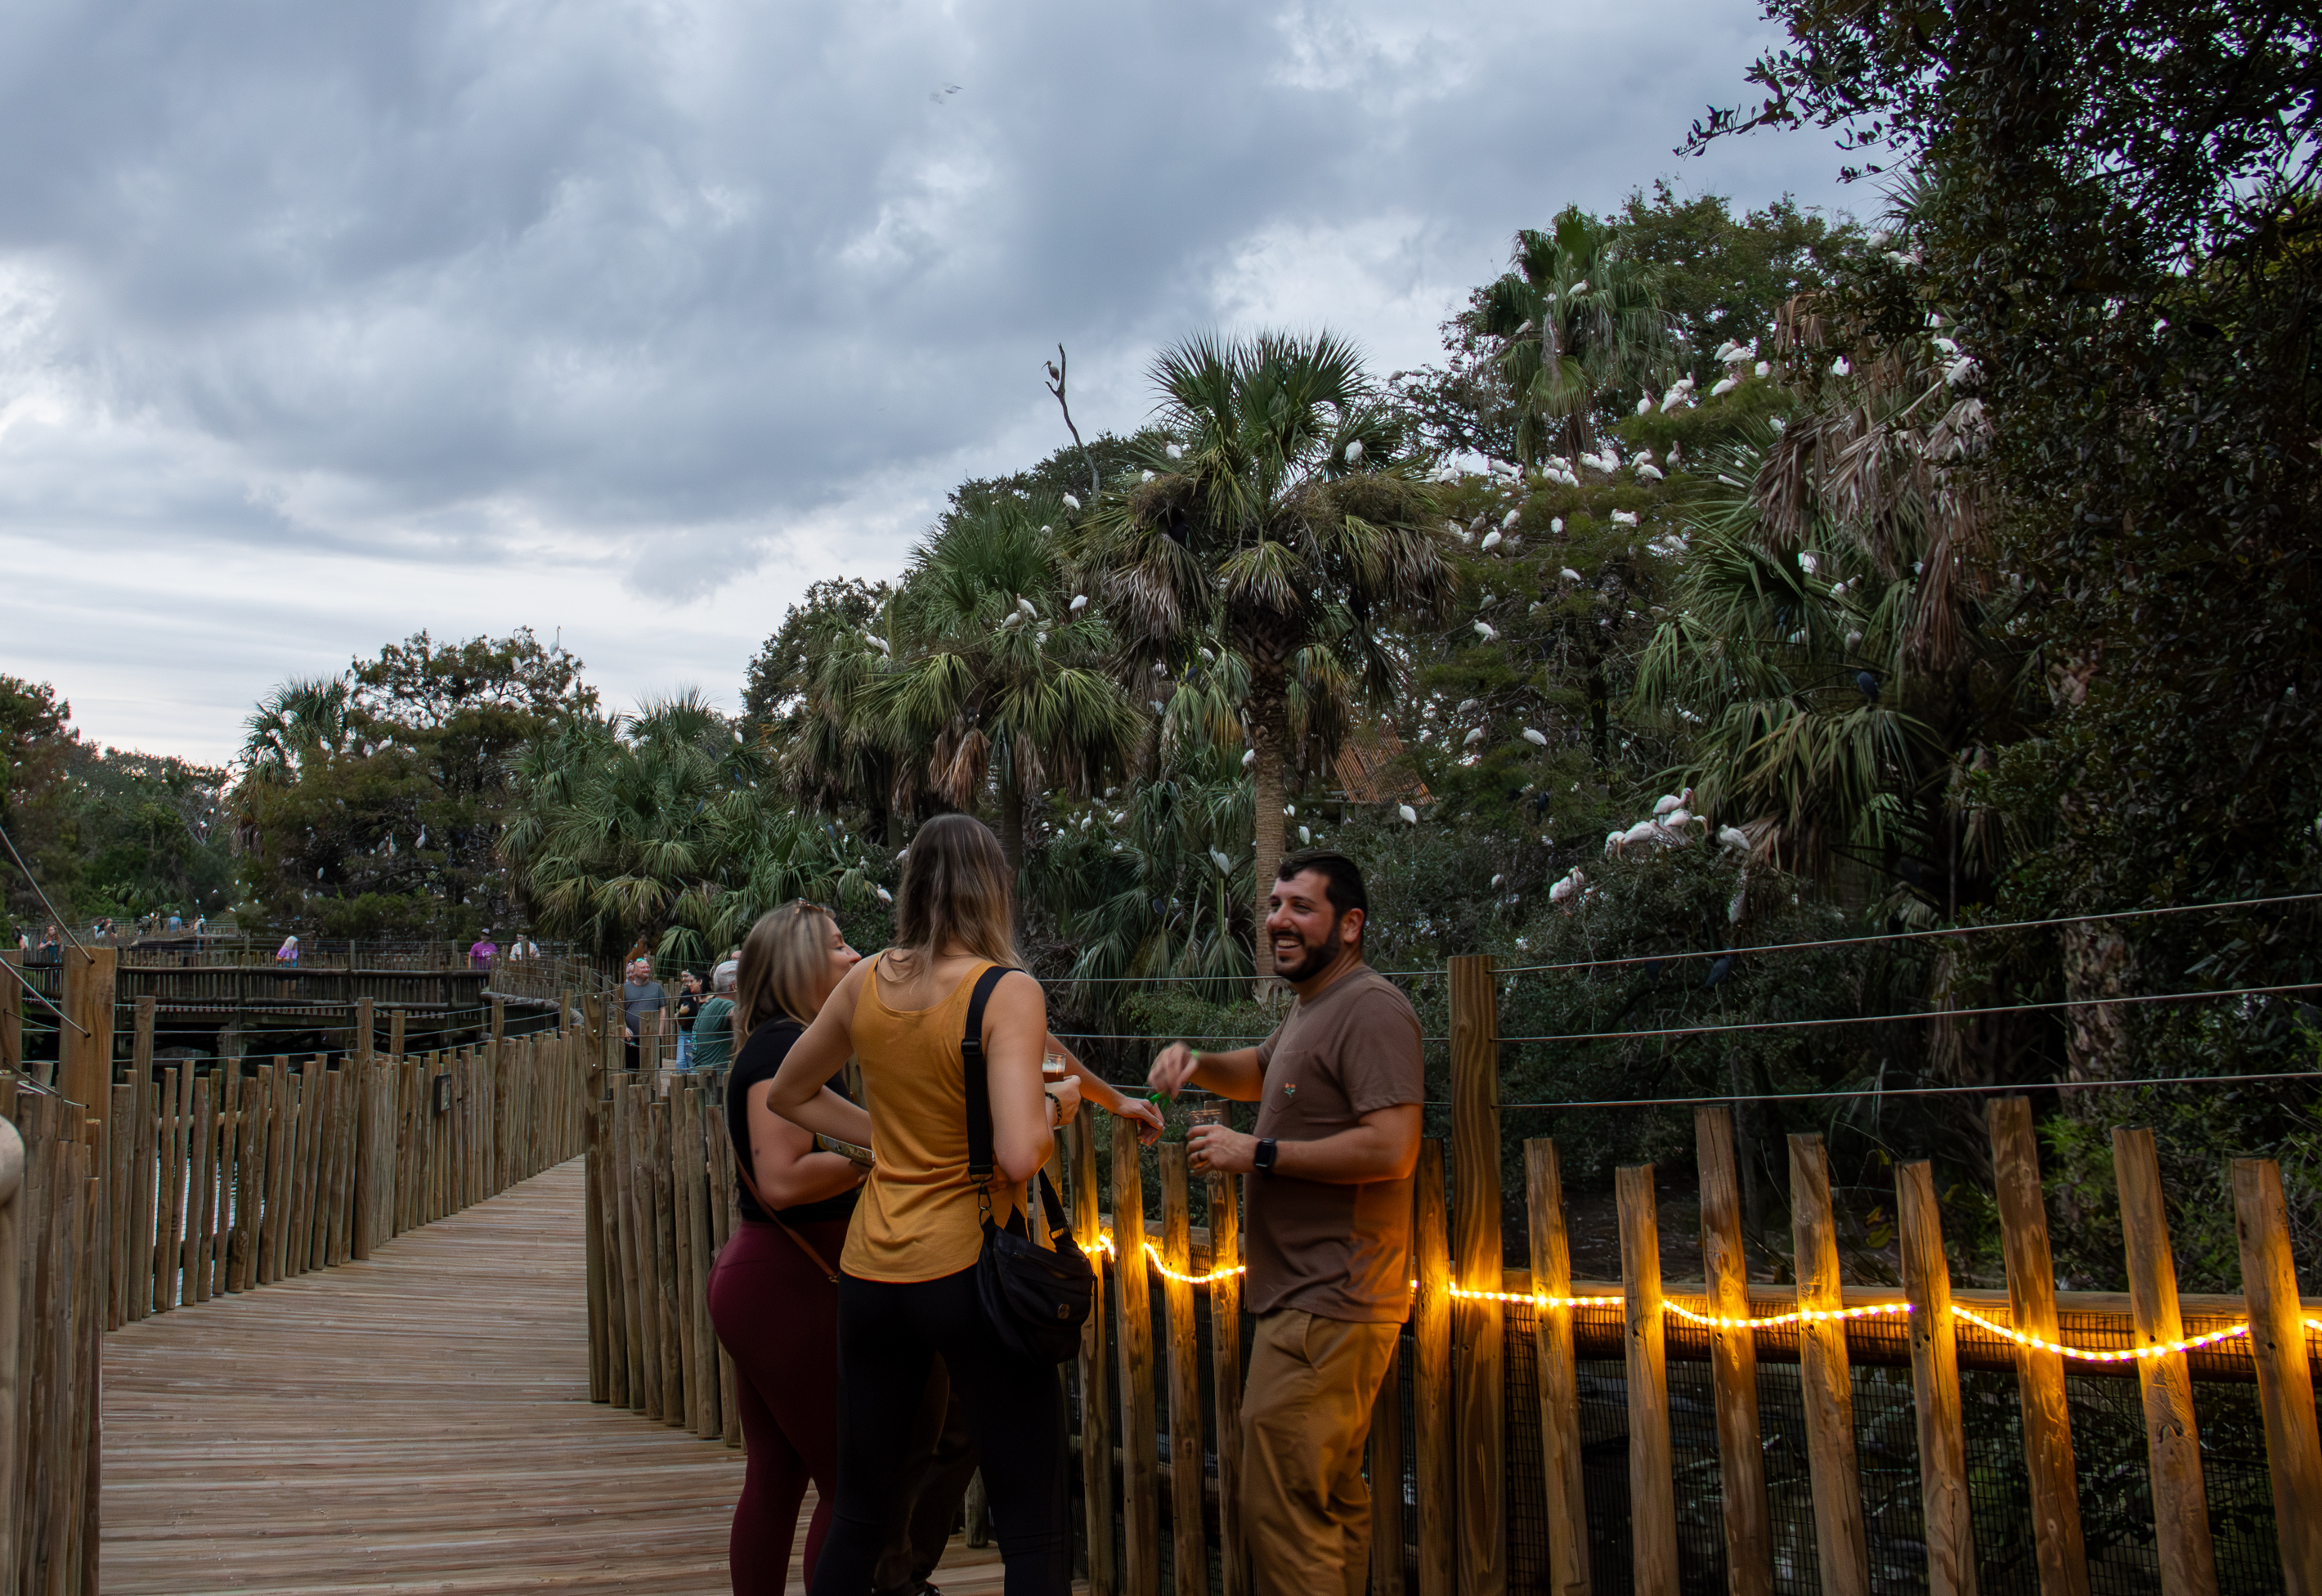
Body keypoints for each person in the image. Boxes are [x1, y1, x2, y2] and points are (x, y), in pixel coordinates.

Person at [764, 813, 1081, 1596]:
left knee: (863, 1512)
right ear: (993, 889)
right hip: (970, 1272)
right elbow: (1017, 1153)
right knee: (1032, 1523)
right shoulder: (1005, 991)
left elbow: (789, 1093)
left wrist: (887, 1141)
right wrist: (1061, 1108)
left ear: (912, 888)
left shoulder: (866, 978)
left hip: (871, 1276)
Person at [1145, 850, 1423, 1596]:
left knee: (1282, 1509)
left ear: (1351, 924)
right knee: (1326, 1503)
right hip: (1306, 1302)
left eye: (1301, 906)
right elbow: (1263, 1071)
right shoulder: (1315, 1005)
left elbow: (1394, 1150)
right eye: (1274, 905)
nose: (1278, 921)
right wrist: (1197, 1063)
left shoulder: (1372, 1009)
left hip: (1330, 1301)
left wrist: (1255, 1151)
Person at [706, 902, 872, 1592]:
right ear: (802, 961)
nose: (852, 953)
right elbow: (781, 1179)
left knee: (776, 1476)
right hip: (789, 1282)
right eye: (837, 944)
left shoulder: (784, 1043)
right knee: (848, 1480)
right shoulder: (782, 1049)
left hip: (768, 1278)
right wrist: (878, 1160)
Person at [692, 962, 737, 1075]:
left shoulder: (713, 1003)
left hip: (703, 1075)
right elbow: (742, 1017)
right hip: (714, 1081)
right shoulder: (725, 1005)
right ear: (735, 986)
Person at [622, 958, 666, 1072]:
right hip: (631, 1038)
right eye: (643, 968)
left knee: (652, 1072)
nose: (647, 969)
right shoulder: (624, 988)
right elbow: (618, 1011)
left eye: (648, 967)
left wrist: (660, 1034)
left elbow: (662, 1010)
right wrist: (623, 1027)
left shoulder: (657, 988)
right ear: (635, 971)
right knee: (631, 1072)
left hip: (651, 1038)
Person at [675, 971, 705, 1069]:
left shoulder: (708, 997)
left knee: (694, 1063)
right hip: (686, 1031)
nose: (689, 984)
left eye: (691, 981)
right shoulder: (685, 994)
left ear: (699, 982)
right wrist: (681, 1014)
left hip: (701, 1034)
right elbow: (677, 1015)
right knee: (680, 1062)